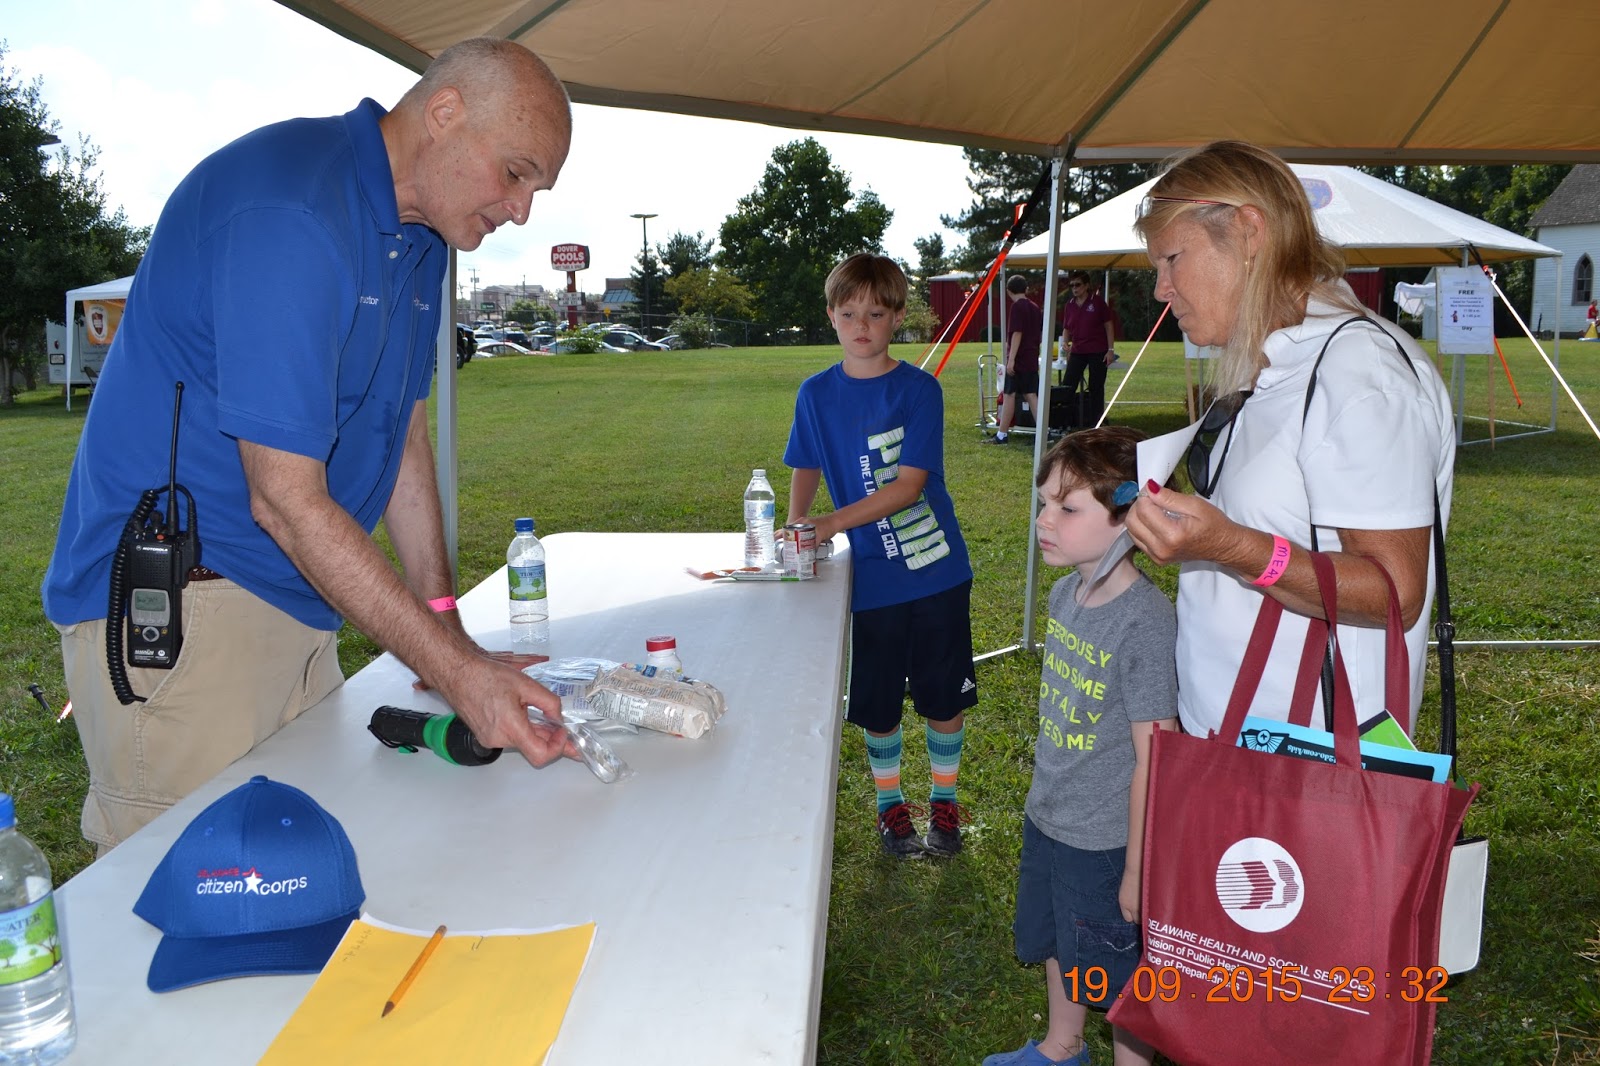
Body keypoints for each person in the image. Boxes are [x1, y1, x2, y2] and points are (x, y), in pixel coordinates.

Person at [42, 37, 577, 853]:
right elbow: (284, 500)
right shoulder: (290, 208)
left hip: (297, 604)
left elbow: (397, 433)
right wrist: (455, 674)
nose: (523, 211)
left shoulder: (420, 238)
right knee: (202, 914)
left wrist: (445, 630)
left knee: (312, 885)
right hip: (186, 613)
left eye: (538, 187)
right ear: (444, 113)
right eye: (516, 172)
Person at [1123, 140, 1454, 738]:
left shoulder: (1359, 372)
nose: (1161, 290)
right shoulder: (1280, 357)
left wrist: (1232, 547)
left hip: (1308, 765)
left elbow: (1396, 593)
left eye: (1172, 259)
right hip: (1236, 743)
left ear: (1249, 232)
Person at [986, 427, 1175, 1066]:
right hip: (1052, 815)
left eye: (1068, 509)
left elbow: (1156, 756)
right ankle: (1060, 1049)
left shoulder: (1145, 623)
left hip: (1106, 840)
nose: (1046, 520)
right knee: (1063, 943)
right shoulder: (1067, 592)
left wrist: (1136, 869)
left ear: (1129, 520)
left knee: (1121, 978)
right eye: (1045, 502)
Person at [784, 253, 978, 858]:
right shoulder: (815, 394)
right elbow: (807, 461)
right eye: (848, 313)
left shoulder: (919, 390)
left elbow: (908, 487)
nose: (861, 324)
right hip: (871, 583)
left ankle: (943, 801)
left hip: (936, 573)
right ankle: (891, 805)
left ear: (898, 317)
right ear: (831, 318)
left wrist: (831, 523)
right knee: (879, 703)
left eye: (875, 312)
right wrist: (797, 523)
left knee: (943, 698)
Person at [1057, 271, 1117, 428]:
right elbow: (1066, 327)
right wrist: (1065, 343)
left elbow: (1109, 325)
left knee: (1096, 387)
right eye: (1071, 285)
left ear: (1086, 286)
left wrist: (1110, 349)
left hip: (1098, 349)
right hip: (1077, 350)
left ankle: (1097, 422)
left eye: (1077, 285)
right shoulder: (1069, 305)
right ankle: (1065, 421)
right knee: (1068, 385)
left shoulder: (1097, 303)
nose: (1074, 288)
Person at [990, 274, 1042, 444]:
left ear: (1008, 291)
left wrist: (1011, 359)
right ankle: (1043, 430)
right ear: (1026, 289)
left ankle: (1002, 434)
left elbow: (1017, 333)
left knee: (1009, 394)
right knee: (1030, 394)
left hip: (1019, 358)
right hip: (1031, 355)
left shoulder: (1017, 307)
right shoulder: (1035, 307)